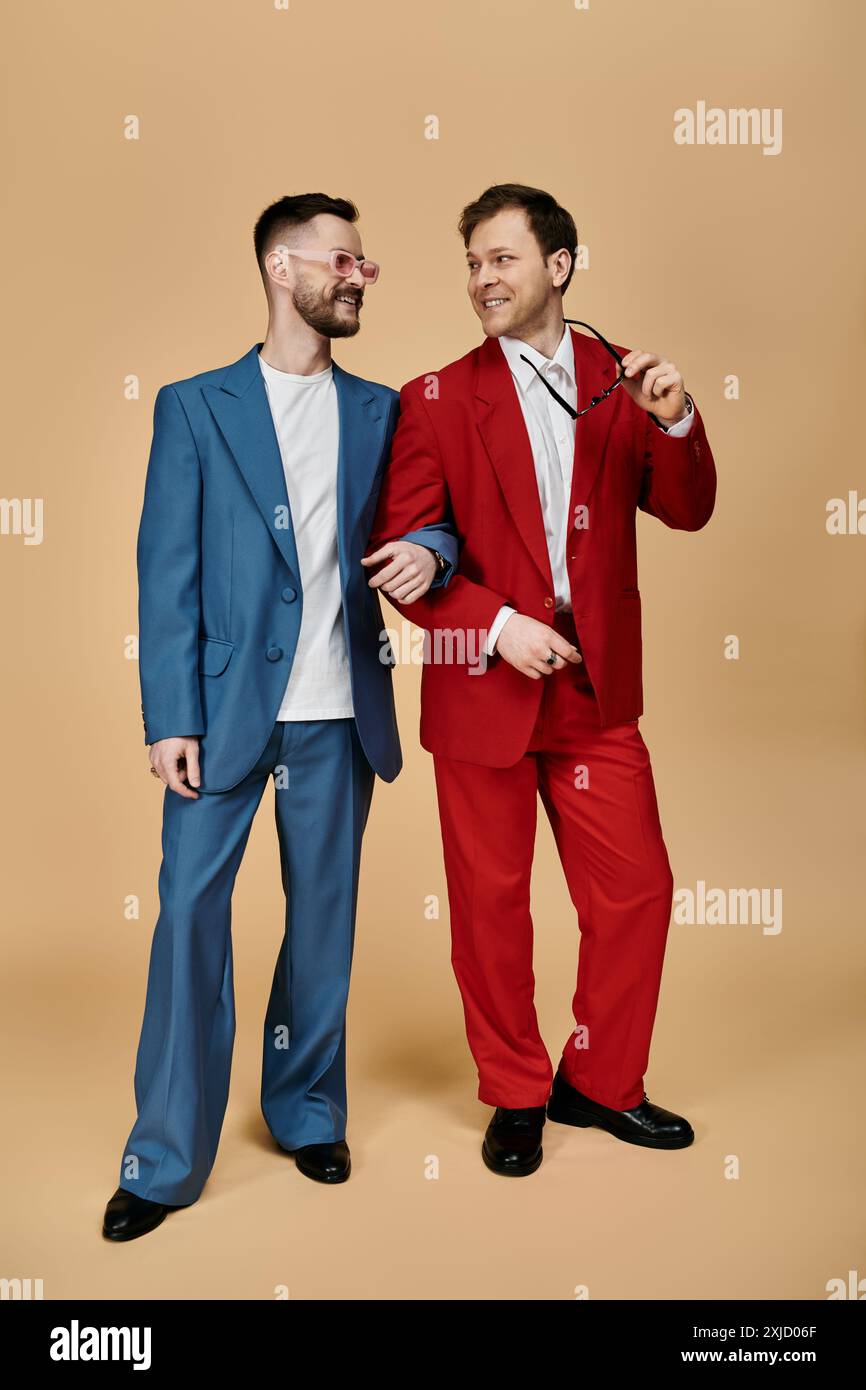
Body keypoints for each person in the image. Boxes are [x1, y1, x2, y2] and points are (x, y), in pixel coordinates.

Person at [103, 193, 457, 1241]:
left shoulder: (383, 411)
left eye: (364, 263)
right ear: (279, 266)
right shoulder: (194, 404)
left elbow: (429, 511)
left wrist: (432, 548)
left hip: (338, 711)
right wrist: (169, 713)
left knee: (321, 928)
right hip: (217, 715)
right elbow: (163, 569)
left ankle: (307, 1109)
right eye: (344, 260)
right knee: (186, 925)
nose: (358, 276)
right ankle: (162, 1158)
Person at [364, 182, 717, 1177]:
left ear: (557, 266)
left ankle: (599, 1082)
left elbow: (685, 511)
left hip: (593, 687)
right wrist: (496, 624)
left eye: (502, 259)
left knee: (635, 890)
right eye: (473, 261)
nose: (482, 277)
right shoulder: (431, 399)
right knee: (488, 907)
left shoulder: (621, 378)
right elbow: (405, 556)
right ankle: (514, 1091)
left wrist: (677, 419)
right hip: (484, 682)